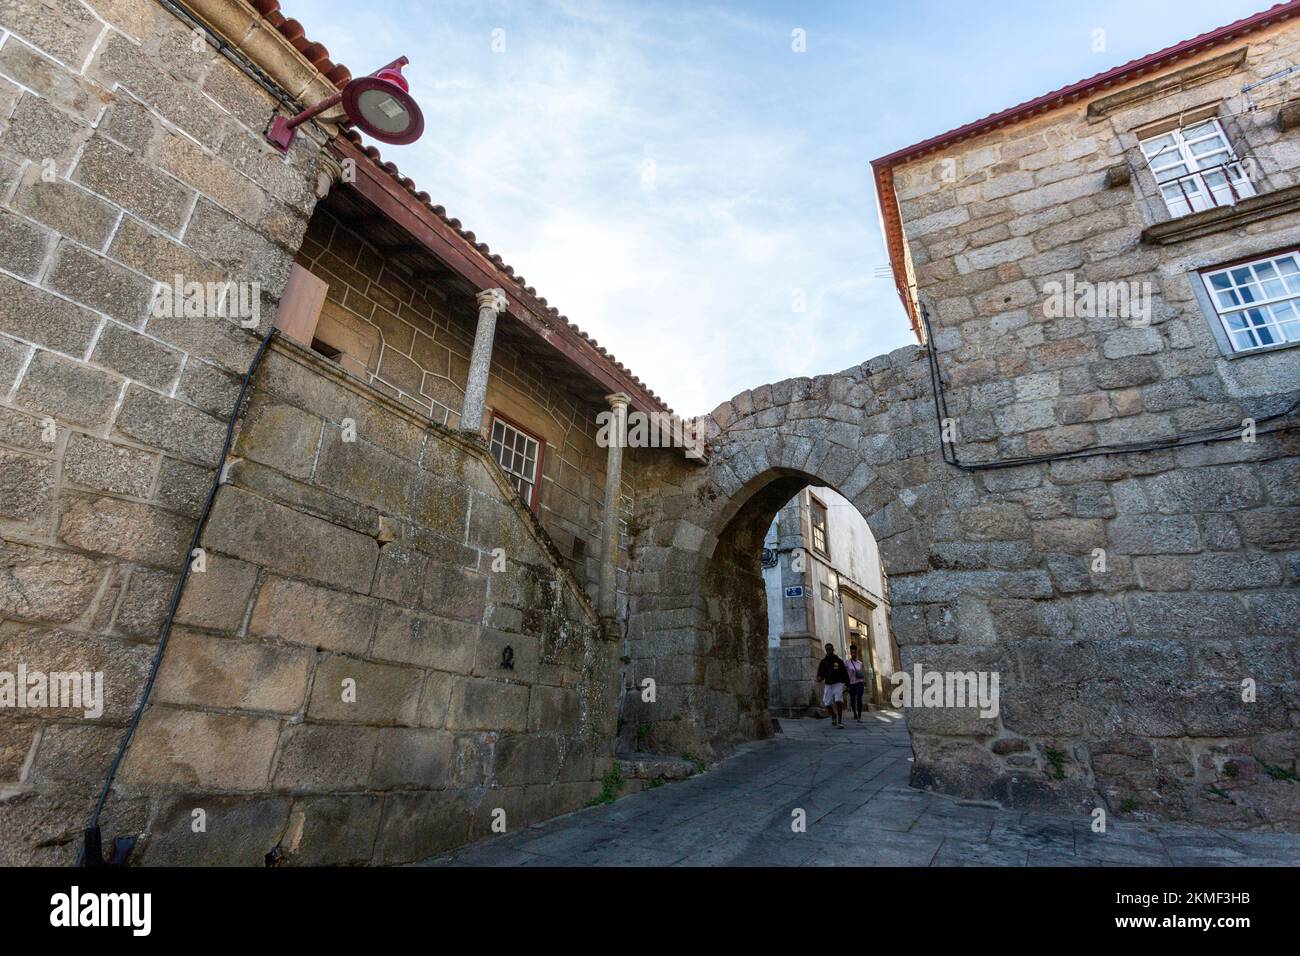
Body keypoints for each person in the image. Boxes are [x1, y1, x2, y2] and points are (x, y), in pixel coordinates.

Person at [816, 643, 849, 728]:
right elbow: (820, 672)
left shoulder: (838, 661)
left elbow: (844, 672)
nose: (829, 651)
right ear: (825, 650)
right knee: (827, 702)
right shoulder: (823, 662)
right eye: (827, 649)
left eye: (830, 649)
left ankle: (840, 722)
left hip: (838, 683)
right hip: (828, 684)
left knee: (838, 701)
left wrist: (847, 684)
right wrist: (819, 677)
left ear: (833, 649)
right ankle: (833, 715)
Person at [845, 644, 866, 722]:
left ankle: (859, 716)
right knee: (852, 700)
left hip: (859, 683)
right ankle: (854, 712)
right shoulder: (847, 663)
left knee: (859, 699)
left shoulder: (860, 663)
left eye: (854, 652)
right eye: (852, 652)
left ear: (856, 653)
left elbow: (862, 673)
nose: (853, 654)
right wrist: (846, 684)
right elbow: (845, 674)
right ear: (850, 653)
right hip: (851, 683)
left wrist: (863, 680)